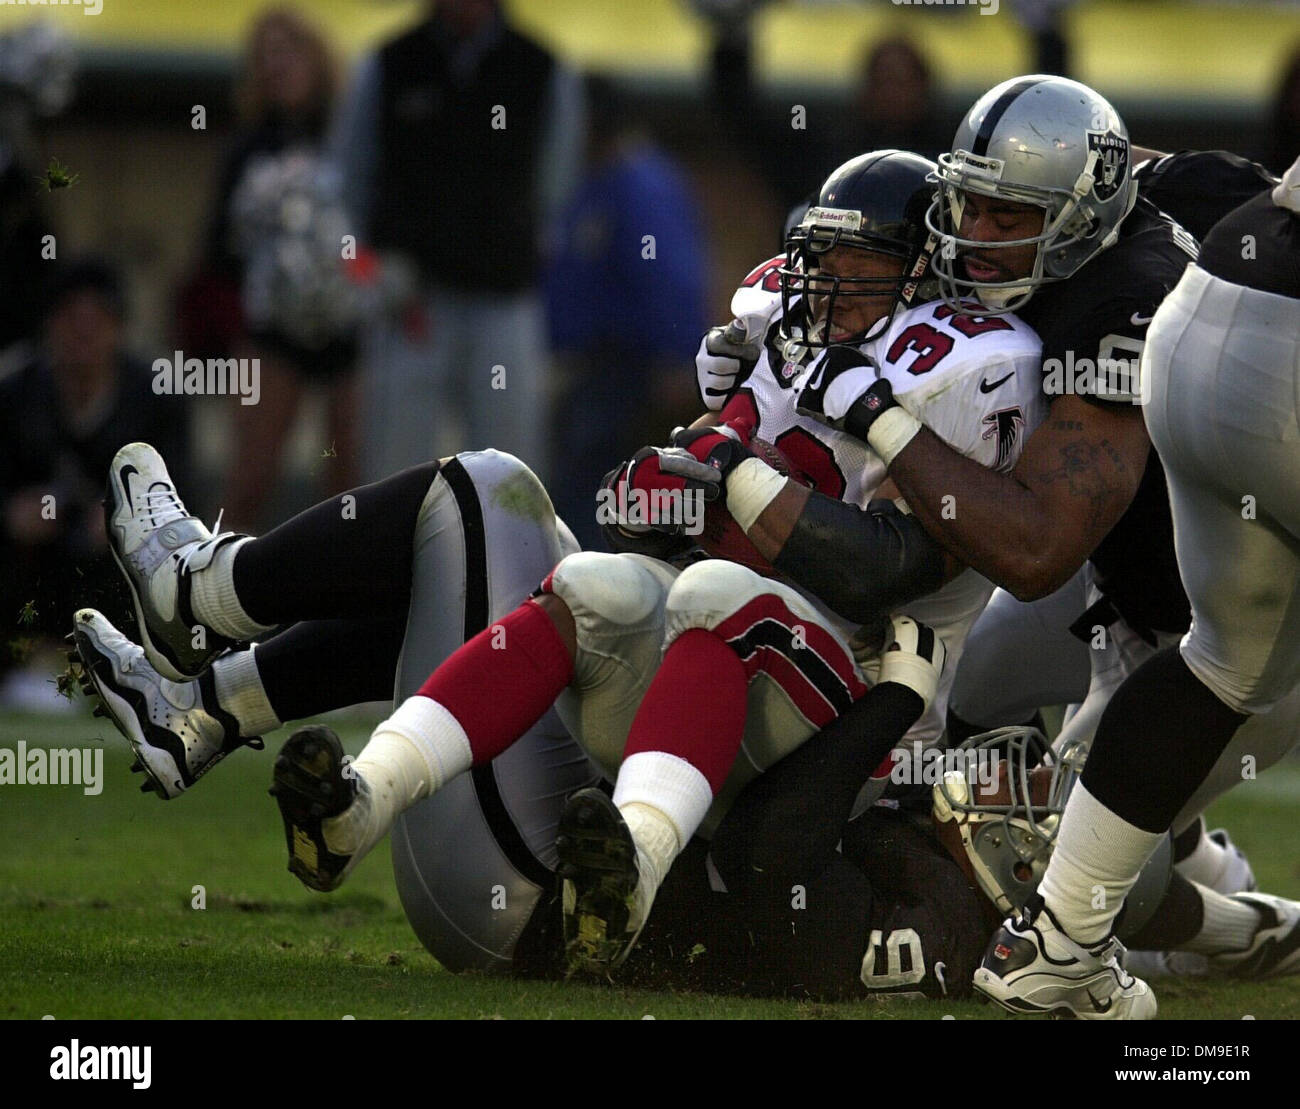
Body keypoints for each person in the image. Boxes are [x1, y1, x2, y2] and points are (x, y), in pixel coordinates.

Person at [797, 75, 1293, 1014]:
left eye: (1006, 215)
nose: (974, 237)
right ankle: (1199, 855)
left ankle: (1259, 929)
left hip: (1228, 625)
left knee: (1027, 844)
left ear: (1077, 215)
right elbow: (1135, 170)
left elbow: (1034, 551)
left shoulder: (1125, 302)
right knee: (973, 710)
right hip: (1128, 568)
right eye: (967, 205)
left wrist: (880, 417)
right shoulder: (1173, 182)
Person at [973, 155, 1300, 1018]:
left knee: (1221, 663)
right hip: (1265, 382)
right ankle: (1215, 917)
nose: (983, 236)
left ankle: (1071, 937)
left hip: (1211, 324)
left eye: (1013, 213)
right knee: (1006, 810)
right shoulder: (1125, 225)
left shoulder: (1156, 238)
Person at [329, 0, 584, 485]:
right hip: (410, 306)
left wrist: (521, 255)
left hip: (505, 303)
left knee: (512, 473)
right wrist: (370, 274)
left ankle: (513, 563)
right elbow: (348, 186)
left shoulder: (541, 68)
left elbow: (557, 192)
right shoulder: (389, 63)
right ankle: (392, 560)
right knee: (393, 470)